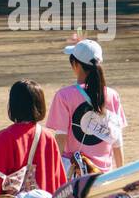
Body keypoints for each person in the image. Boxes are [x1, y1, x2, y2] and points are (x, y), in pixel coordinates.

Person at [46, 39, 127, 175]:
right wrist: (121, 174)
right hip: (104, 174)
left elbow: (60, 139)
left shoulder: (64, 96)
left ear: (76, 65)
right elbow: (117, 140)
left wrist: (53, 175)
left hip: (74, 173)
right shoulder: (113, 95)